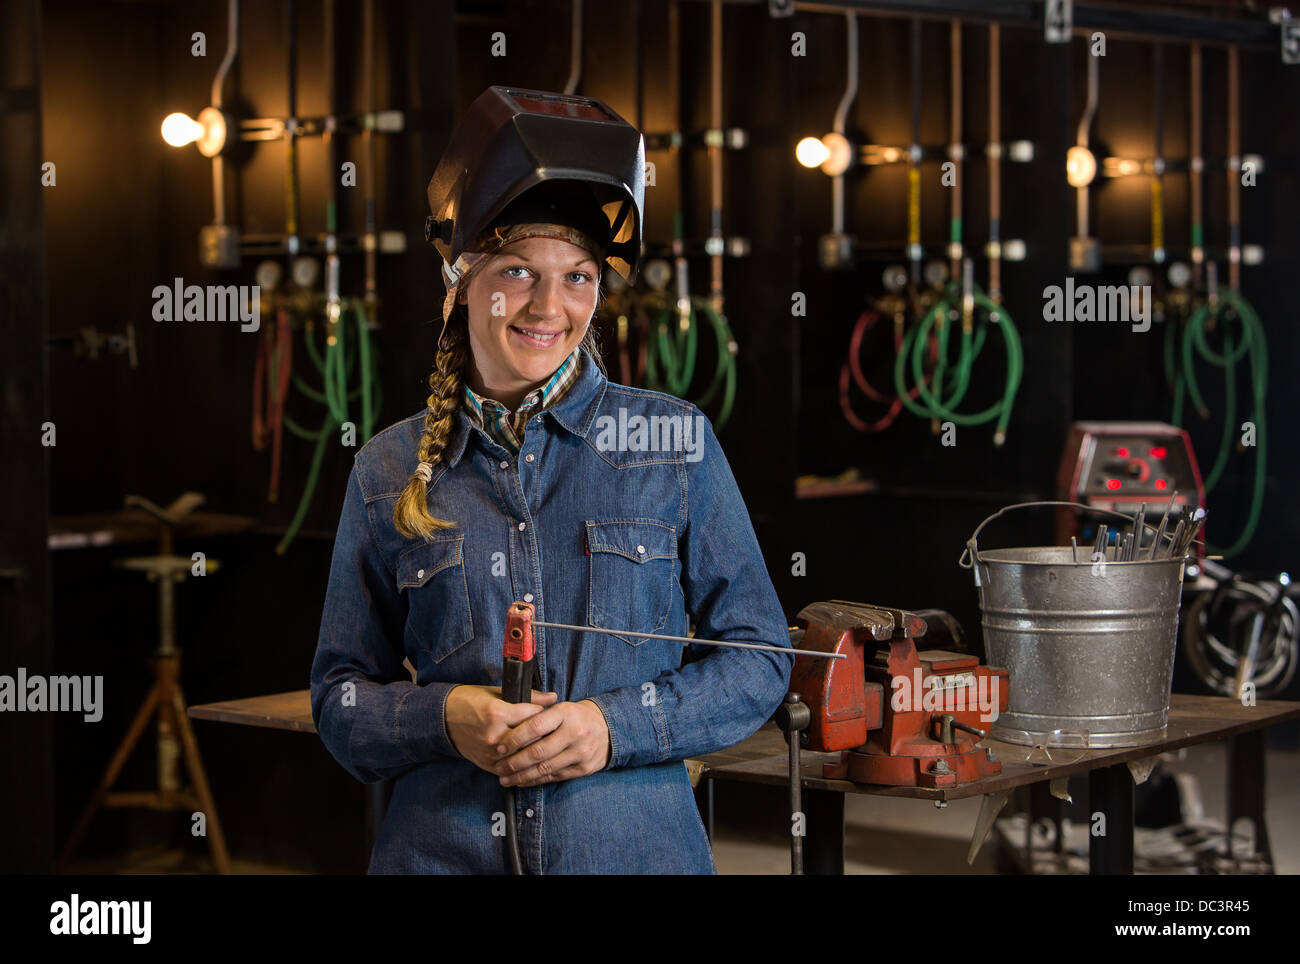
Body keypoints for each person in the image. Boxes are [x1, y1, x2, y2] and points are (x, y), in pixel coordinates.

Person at [310, 86, 791, 874]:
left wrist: (616, 725)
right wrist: (445, 717)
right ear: (462, 282)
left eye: (578, 277)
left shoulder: (672, 444)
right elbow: (339, 700)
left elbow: (761, 657)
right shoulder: (389, 469)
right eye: (518, 271)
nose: (549, 306)